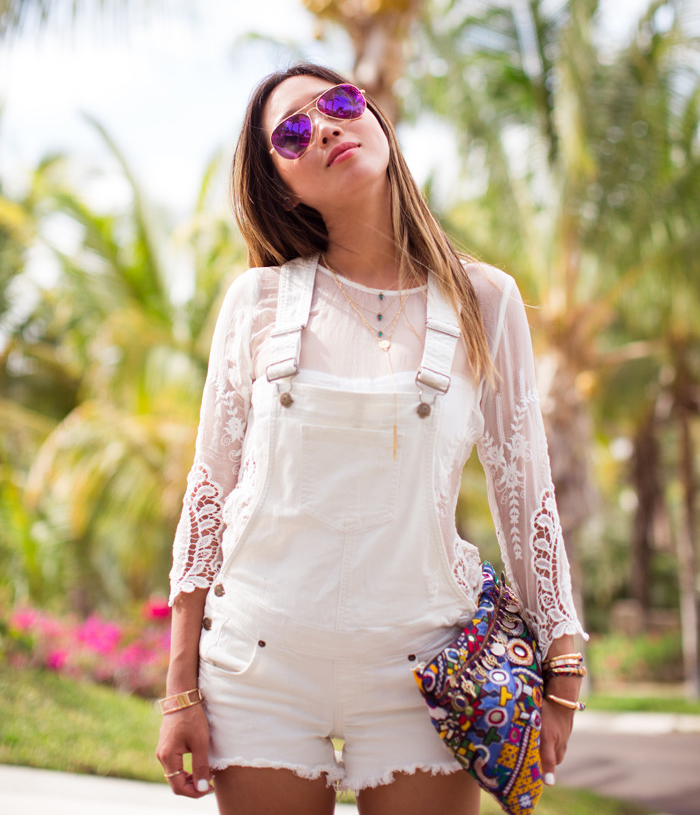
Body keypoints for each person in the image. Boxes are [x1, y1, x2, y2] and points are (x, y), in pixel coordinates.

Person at [156, 63, 586, 815]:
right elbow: (209, 495)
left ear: (377, 120)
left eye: (339, 104)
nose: (322, 126)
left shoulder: (485, 299)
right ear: (282, 188)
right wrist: (180, 687)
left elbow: (526, 491)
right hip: (259, 670)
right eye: (290, 134)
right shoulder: (257, 303)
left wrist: (565, 664)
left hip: (426, 673)